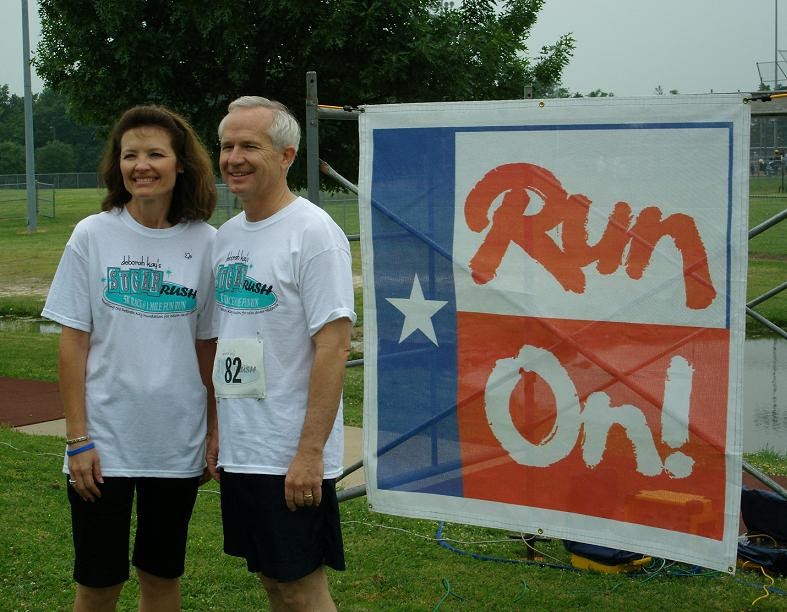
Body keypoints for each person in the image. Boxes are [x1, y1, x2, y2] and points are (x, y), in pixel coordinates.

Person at [42, 105, 218, 611]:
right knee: (98, 582)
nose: (141, 165)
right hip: (103, 443)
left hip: (176, 442)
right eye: (130, 155)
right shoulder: (92, 235)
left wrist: (214, 428)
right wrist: (78, 439)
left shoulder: (207, 243)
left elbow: (208, 346)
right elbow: (73, 342)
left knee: (161, 575)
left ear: (180, 164)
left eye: (155, 154)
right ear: (116, 164)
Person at [212, 96, 355, 611]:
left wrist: (310, 453)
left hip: (290, 451)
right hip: (243, 446)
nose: (234, 157)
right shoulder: (227, 237)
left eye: (250, 145)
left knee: (300, 587)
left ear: (287, 155)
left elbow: (334, 346)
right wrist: (219, 433)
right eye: (227, 146)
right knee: (273, 582)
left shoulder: (314, 234)